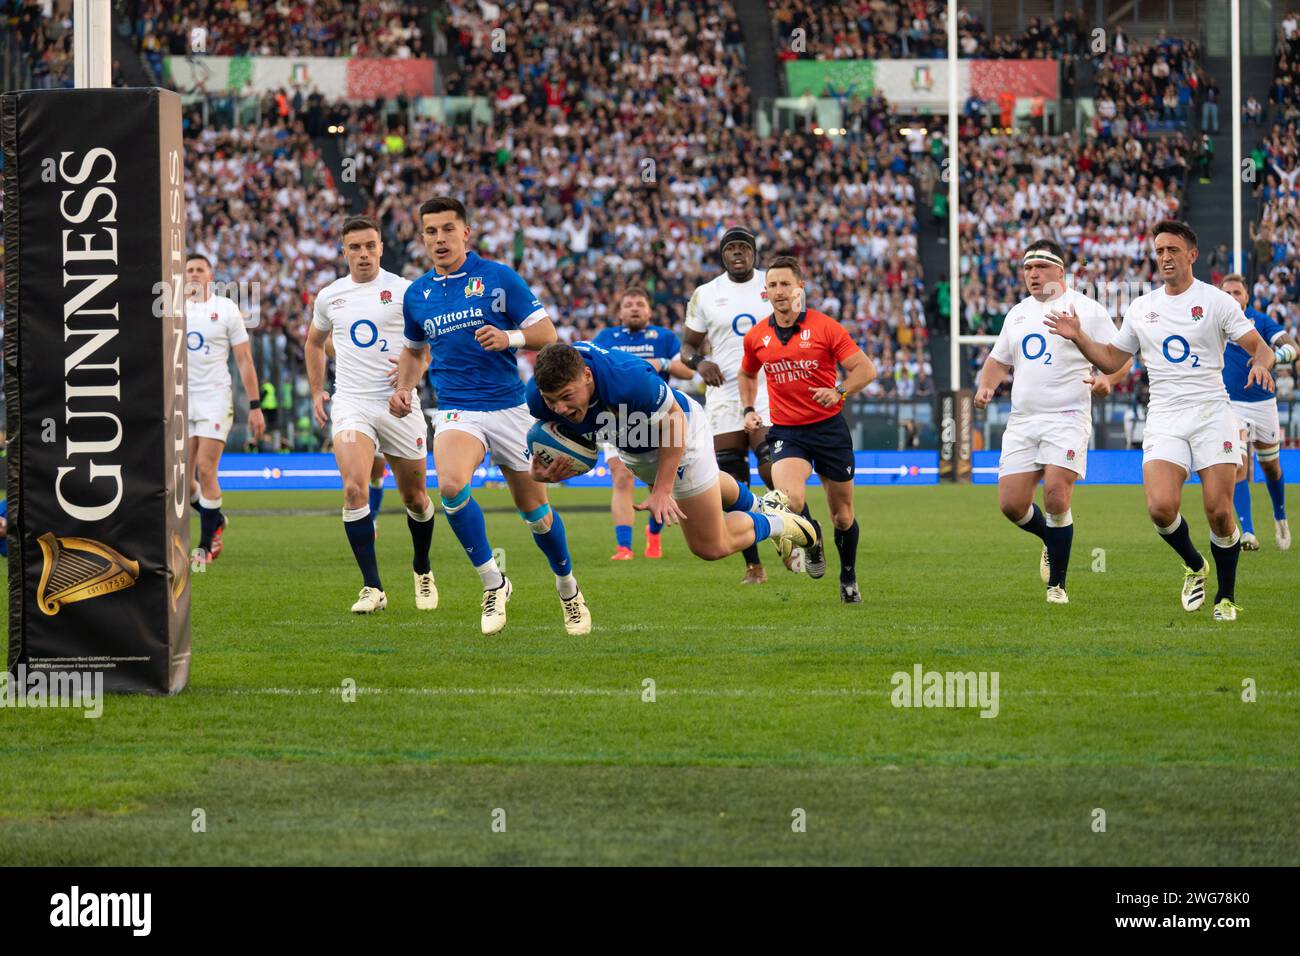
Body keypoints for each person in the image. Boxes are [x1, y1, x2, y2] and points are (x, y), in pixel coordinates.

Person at [1046, 220, 1277, 621]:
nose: (1165, 258)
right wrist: (1079, 337)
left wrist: (1261, 364)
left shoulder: (1217, 301)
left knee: (1219, 512)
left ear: (1191, 254)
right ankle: (1194, 565)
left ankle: (1226, 597)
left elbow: (1260, 348)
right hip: (1165, 416)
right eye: (1159, 252)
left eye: (1172, 250)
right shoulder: (1142, 307)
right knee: (1160, 507)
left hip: (1211, 413)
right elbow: (1113, 360)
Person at [391, 196, 590, 636]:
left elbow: (548, 333)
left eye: (447, 229)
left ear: (466, 232)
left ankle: (568, 589)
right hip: (457, 410)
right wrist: (404, 388)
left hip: (510, 409)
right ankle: (493, 582)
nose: (439, 239)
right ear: (421, 237)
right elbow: (413, 350)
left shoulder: (498, 277)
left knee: (535, 511)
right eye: (430, 231)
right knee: (450, 487)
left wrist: (510, 337)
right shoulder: (417, 294)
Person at [526, 342, 817, 568]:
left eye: (567, 397)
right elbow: (561, 442)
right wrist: (539, 473)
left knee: (709, 546)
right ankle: (764, 505)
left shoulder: (627, 380)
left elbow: (674, 421)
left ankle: (783, 524)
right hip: (634, 444)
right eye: (553, 401)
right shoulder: (539, 399)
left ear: (587, 376)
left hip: (678, 433)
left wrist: (663, 490)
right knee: (710, 483)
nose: (560, 409)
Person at [974, 239, 1131, 604]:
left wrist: (1108, 379)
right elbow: (999, 361)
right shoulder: (1017, 314)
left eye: (1040, 267)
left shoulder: (1087, 310)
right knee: (1012, 505)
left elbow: (1120, 357)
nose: (1032, 274)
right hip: (1023, 419)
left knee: (1056, 495)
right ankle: (1051, 540)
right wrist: (985, 387)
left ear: (1059, 271)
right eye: (1028, 268)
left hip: (1067, 415)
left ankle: (1056, 585)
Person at [307, 216, 436, 614]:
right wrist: (317, 390)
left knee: (415, 498)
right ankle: (372, 587)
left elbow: (426, 348)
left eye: (369, 246)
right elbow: (314, 343)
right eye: (355, 247)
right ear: (344, 251)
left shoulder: (405, 291)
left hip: (398, 405)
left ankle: (422, 567)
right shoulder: (331, 296)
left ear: (381, 247)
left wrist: (409, 384)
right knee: (353, 489)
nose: (363, 254)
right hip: (352, 404)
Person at [738, 256, 877, 604]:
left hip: (829, 430)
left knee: (843, 517)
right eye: (773, 285)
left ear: (800, 287)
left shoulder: (825, 327)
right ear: (765, 293)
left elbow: (866, 369)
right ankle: (812, 539)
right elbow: (746, 373)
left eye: (786, 284)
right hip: (787, 432)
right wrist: (749, 408)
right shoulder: (756, 336)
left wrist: (839, 390)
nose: (779, 291)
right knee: (791, 500)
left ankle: (848, 576)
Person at [680, 226, 776, 584]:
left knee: (772, 468)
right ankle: (754, 565)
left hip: (769, 386)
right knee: (732, 480)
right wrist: (698, 363)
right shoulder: (706, 294)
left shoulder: (774, 283)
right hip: (723, 392)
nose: (738, 253)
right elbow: (687, 348)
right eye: (731, 248)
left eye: (744, 247)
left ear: (753, 252)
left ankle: (800, 530)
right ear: (723, 255)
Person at [591, 288, 693, 560]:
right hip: (615, 418)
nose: (634, 308)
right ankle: (623, 547)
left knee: (654, 483)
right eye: (628, 304)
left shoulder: (664, 337)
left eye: (640, 304)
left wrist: (661, 362)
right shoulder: (606, 338)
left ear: (649, 311)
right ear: (620, 312)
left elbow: (687, 370)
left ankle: (654, 535)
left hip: (657, 417)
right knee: (621, 476)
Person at [185, 254, 266, 562]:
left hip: (215, 397)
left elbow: (244, 359)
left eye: (199, 269)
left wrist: (255, 406)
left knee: (206, 469)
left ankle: (205, 546)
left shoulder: (226, 308)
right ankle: (215, 518)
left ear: (211, 275)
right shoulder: (172, 309)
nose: (193, 274)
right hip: (182, 400)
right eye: (189, 269)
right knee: (181, 480)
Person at [1218, 273, 1297, 551]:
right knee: (1238, 466)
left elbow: (1292, 347)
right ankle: (1248, 532)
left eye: (1236, 293)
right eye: (1226, 293)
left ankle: (1280, 516)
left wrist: (1272, 357)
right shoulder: (1215, 322)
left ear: (1247, 297)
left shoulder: (1261, 322)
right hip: (1231, 405)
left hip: (1264, 404)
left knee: (1270, 467)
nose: (1231, 298)